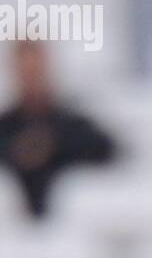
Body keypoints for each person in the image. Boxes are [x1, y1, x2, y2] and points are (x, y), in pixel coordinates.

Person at [0, 40, 116, 218]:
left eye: (36, 72)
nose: (32, 80)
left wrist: (53, 146)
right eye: (26, 73)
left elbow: (107, 150)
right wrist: (18, 152)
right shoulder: (5, 128)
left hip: (69, 235)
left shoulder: (72, 125)